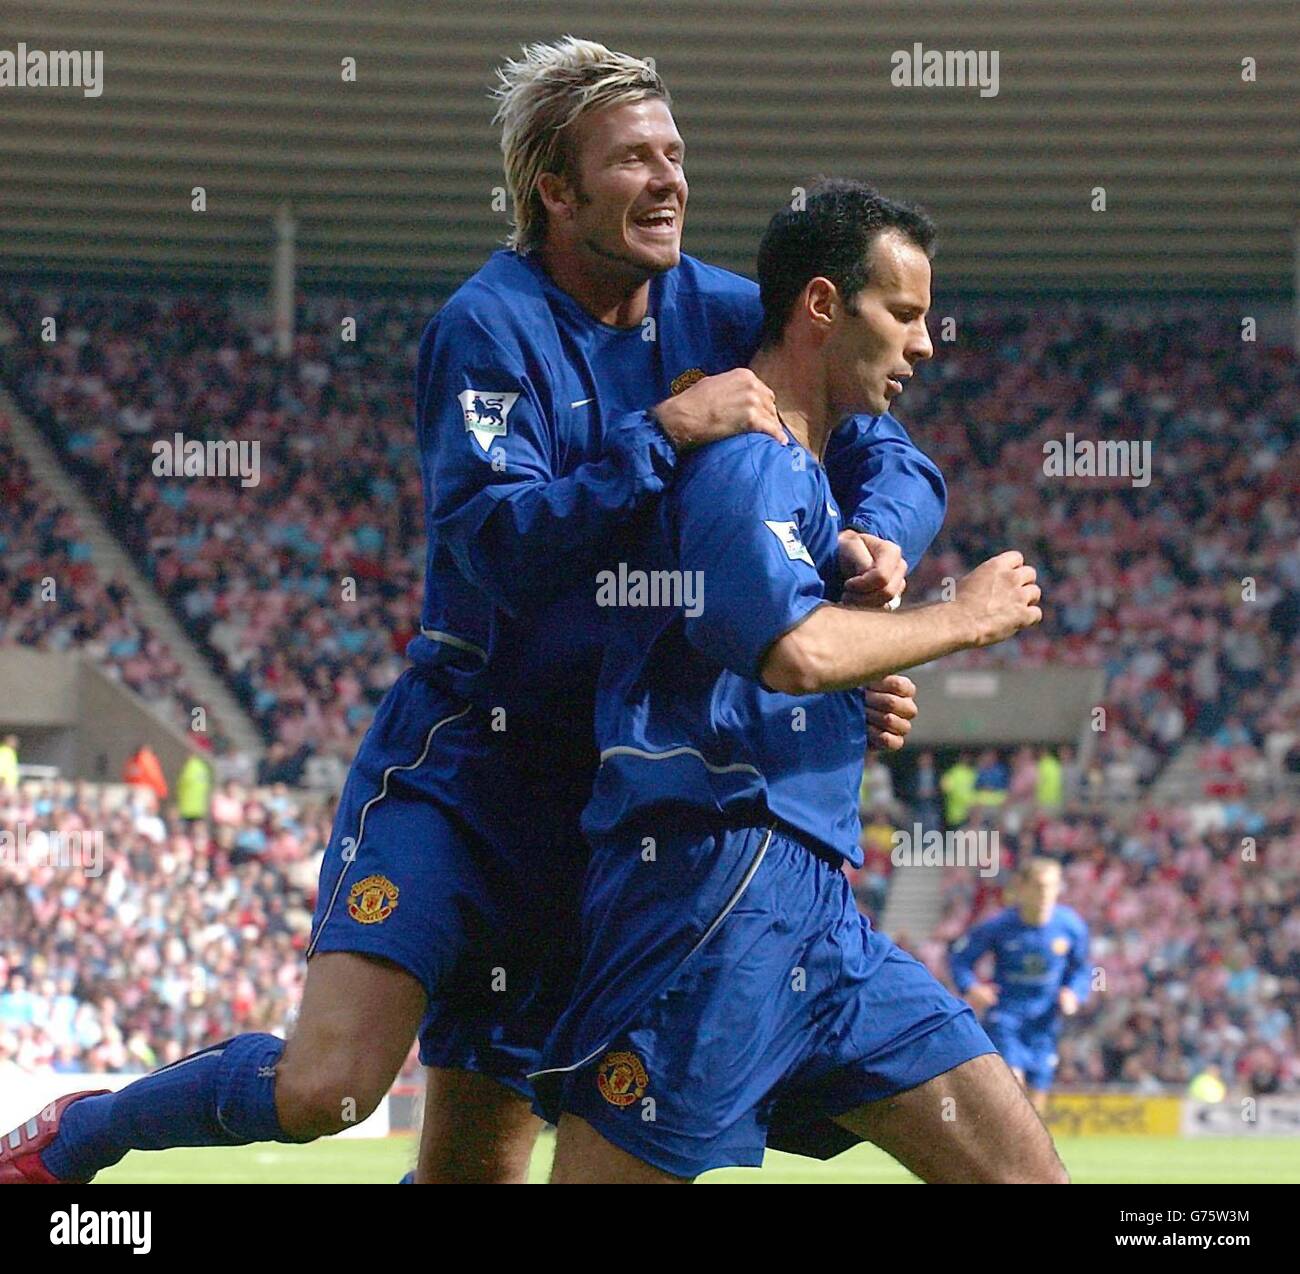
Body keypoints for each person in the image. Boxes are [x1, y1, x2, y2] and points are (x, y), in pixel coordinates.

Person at [0, 39, 941, 1186]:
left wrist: (874, 540)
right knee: (325, 1088)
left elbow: (885, 443)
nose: (669, 181)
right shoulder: (487, 328)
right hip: (465, 770)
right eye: (633, 159)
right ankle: (88, 1130)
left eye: (675, 154)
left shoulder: (720, 309)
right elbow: (498, 544)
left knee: (472, 1171)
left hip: (607, 806)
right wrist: (666, 432)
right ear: (554, 188)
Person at [532, 180, 1065, 1184]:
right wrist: (962, 618)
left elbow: (782, 660)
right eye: (904, 314)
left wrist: (850, 695)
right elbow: (790, 649)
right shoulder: (748, 459)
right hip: (714, 888)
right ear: (823, 305)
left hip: (818, 905)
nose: (925, 343)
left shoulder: (813, 482)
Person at [948, 858, 1091, 1113]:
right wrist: (972, 987)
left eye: (1051, 886)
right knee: (1014, 1086)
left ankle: (1016, 1151)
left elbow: (1083, 969)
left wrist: (1074, 992)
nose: (1044, 893)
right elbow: (960, 960)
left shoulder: (1070, 927)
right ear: (1022, 888)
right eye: (1037, 886)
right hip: (1006, 1017)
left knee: (1036, 1106)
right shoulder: (998, 925)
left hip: (1045, 1023)